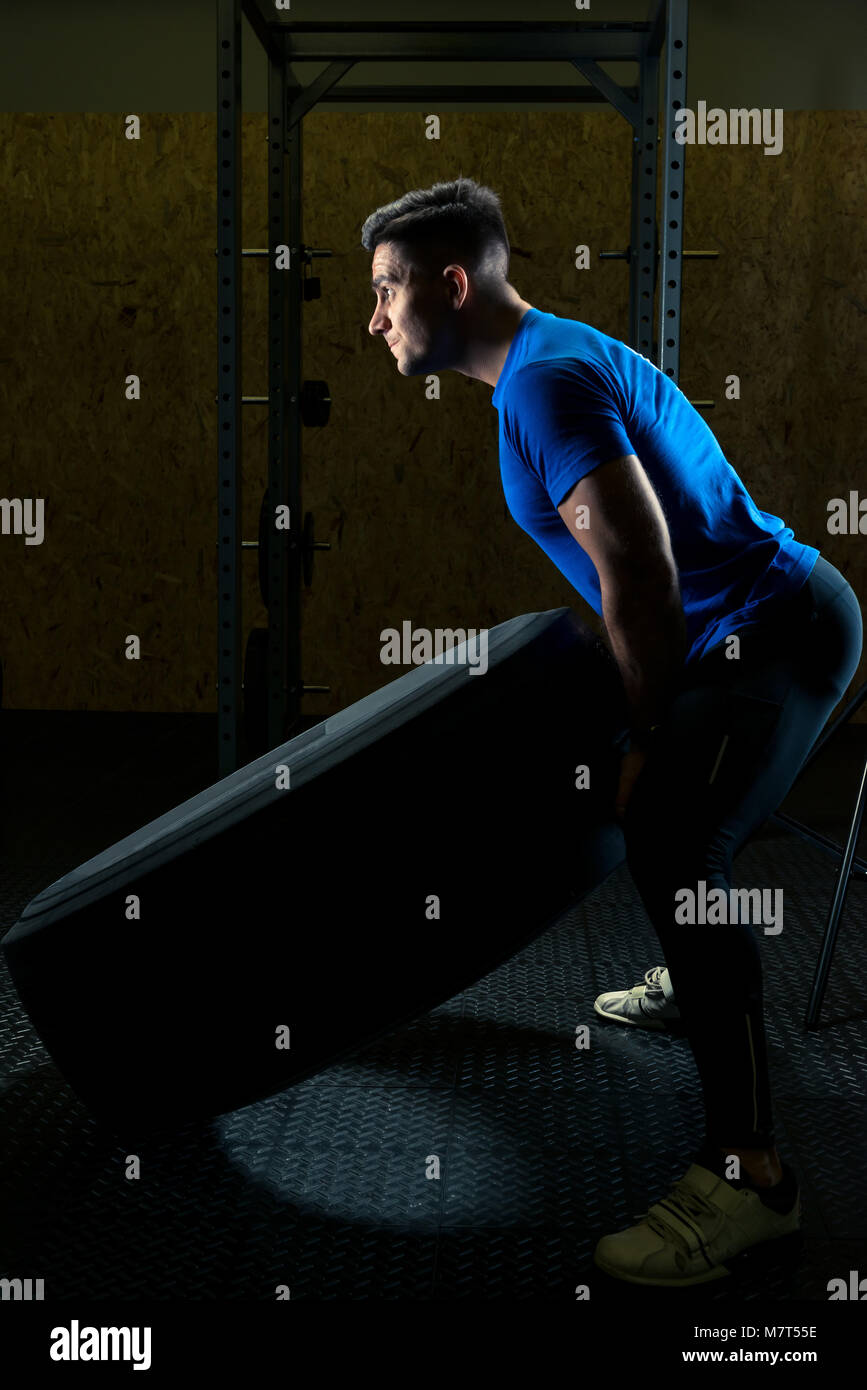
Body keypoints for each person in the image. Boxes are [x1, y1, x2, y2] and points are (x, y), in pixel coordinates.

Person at [361, 177, 863, 1286]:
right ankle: (698, 979)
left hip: (778, 632)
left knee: (681, 843)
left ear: (454, 282)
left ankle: (753, 1177)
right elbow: (623, 571)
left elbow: (639, 568)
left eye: (389, 290)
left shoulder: (542, 386)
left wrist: (641, 741)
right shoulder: (542, 368)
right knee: (658, 817)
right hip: (736, 628)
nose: (375, 318)